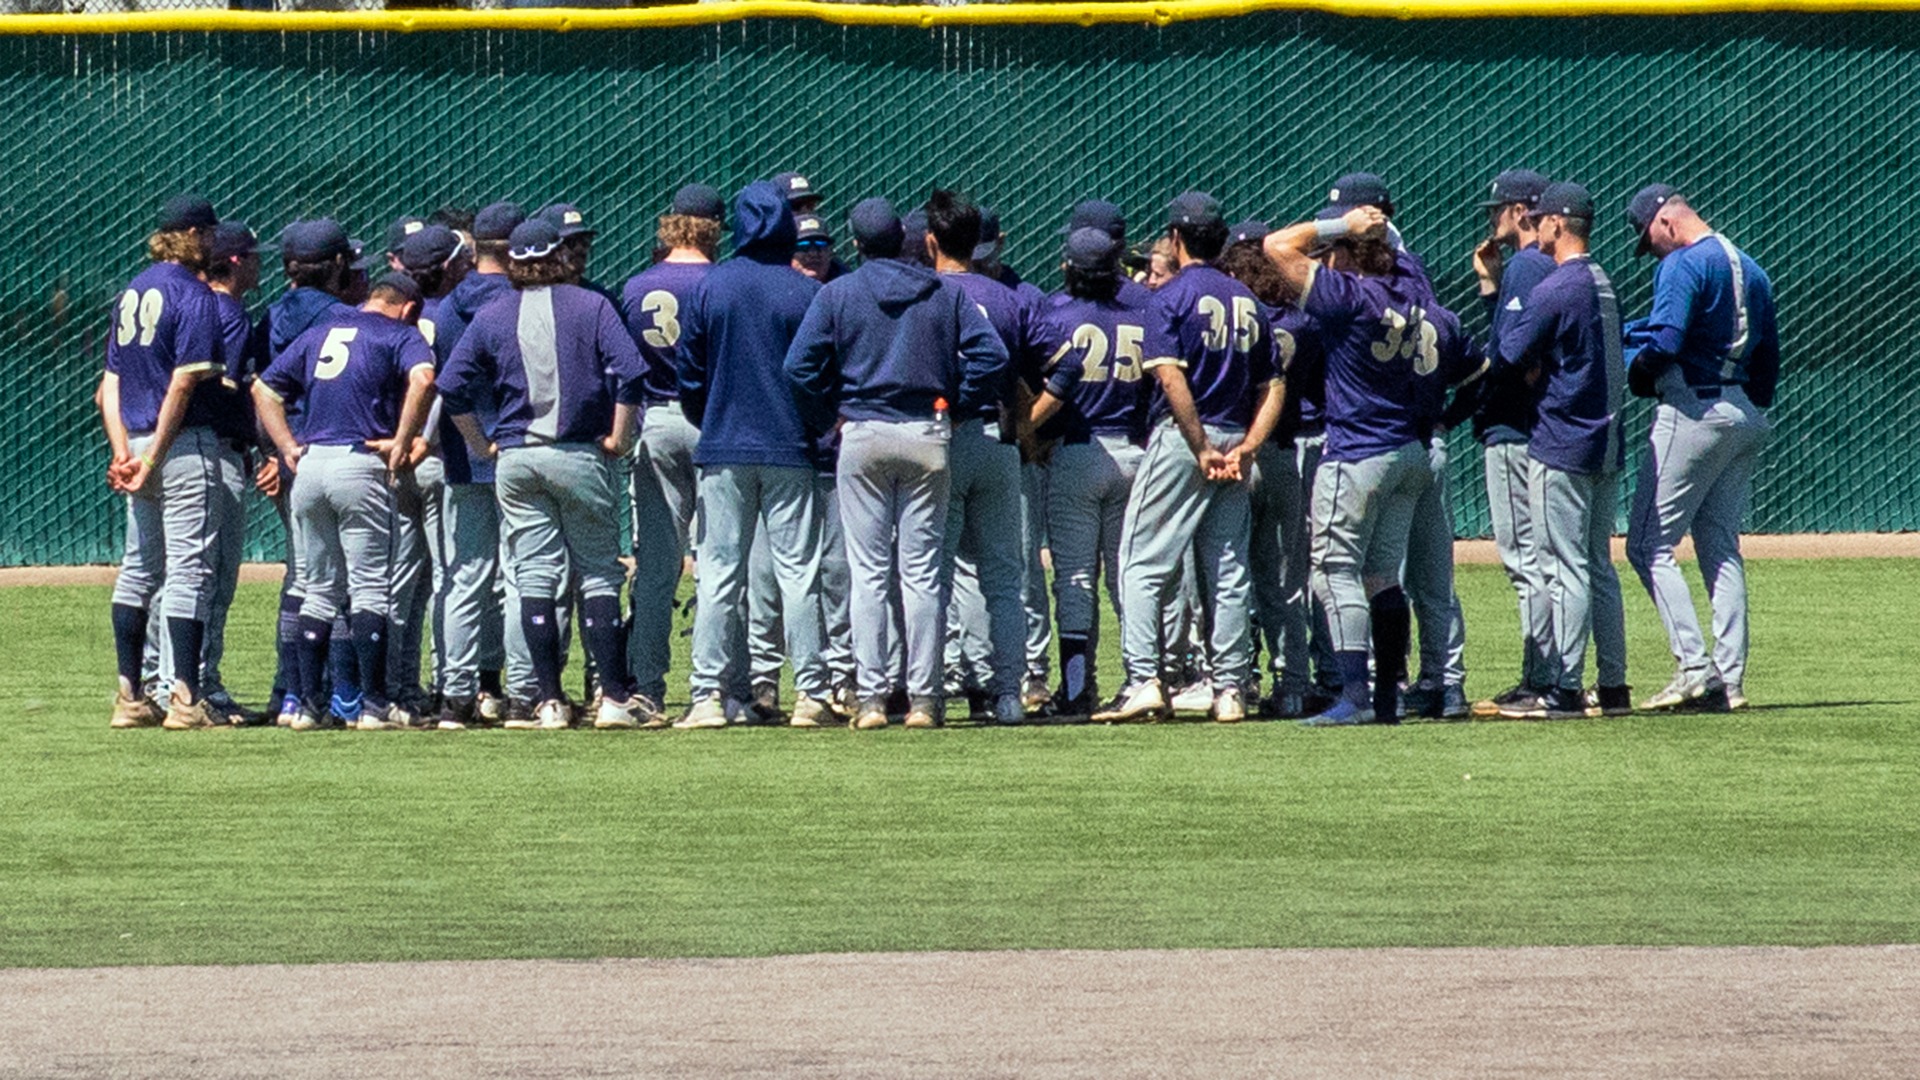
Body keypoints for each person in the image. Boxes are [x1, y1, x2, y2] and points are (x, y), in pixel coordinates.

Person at [785, 197, 1008, 729]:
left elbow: (799, 366)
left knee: (868, 574)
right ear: (911, 241)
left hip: (862, 431)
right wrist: (958, 405)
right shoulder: (942, 292)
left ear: (857, 244)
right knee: (923, 574)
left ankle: (872, 699)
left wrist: (827, 414)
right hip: (927, 432)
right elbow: (992, 357)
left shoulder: (838, 292)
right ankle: (927, 701)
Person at [437, 218, 651, 731]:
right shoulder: (592, 304)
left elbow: (452, 388)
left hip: (515, 457)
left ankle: (547, 700)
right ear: (560, 255)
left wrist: (480, 444)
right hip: (577, 453)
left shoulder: (491, 313)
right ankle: (616, 698)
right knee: (598, 571)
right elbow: (632, 373)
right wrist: (619, 439)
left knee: (533, 574)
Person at [1095, 192, 1283, 724]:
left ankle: (1143, 680)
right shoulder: (1247, 299)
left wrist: (1200, 444)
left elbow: (1170, 375)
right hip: (1234, 438)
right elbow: (1274, 384)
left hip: (1187, 439)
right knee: (1227, 568)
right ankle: (1230, 688)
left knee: (1140, 562)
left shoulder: (1170, 295)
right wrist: (1247, 445)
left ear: (1176, 240)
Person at [1263, 202, 1441, 726]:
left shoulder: (1349, 297)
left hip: (1358, 452)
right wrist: (1375, 231)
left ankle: (1355, 696)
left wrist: (1340, 226)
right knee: (1383, 575)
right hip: (1409, 450)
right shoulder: (1411, 285)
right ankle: (1388, 697)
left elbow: (1277, 246)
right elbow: (1400, 254)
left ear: (1344, 253)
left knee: (1334, 571)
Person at [672, 180, 833, 729]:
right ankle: (812, 694)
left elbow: (688, 373)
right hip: (790, 446)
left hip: (724, 444)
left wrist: (708, 419)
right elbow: (820, 376)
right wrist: (812, 426)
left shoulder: (712, 286)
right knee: (798, 573)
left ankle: (707, 697)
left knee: (718, 573)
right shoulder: (805, 290)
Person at [253, 275, 438, 730]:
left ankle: (308, 705)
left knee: (319, 589)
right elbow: (425, 377)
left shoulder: (320, 332)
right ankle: (373, 705)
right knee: (370, 586)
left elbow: (263, 390)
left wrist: (287, 446)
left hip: (311, 465)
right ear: (409, 308)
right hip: (359, 463)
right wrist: (403, 439)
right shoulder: (401, 333)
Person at [1623, 184, 1779, 713]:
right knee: (1719, 544)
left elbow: (1664, 343)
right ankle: (1730, 680)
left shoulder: (1684, 264)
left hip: (1693, 409)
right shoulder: (1752, 267)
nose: (1655, 251)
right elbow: (1770, 362)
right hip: (1744, 413)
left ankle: (1694, 668)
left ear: (1666, 223)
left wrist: (1638, 371)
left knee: (1646, 545)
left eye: (1651, 240)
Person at [1491, 182, 1630, 719]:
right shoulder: (1602, 280)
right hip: (1606, 442)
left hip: (1562, 440)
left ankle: (1566, 688)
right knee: (1597, 565)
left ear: (1555, 224)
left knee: (1566, 566)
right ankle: (1613, 686)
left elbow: (1508, 352)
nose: (1539, 226)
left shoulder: (1560, 284)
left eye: (1544, 219)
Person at [100, 194, 228, 730]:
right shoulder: (194, 295)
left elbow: (108, 385)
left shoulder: (131, 292)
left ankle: (130, 697)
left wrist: (124, 451)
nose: (216, 243)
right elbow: (182, 381)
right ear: (195, 235)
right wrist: (151, 458)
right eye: (212, 234)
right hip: (179, 449)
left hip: (135, 441)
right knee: (189, 572)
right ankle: (184, 699)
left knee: (138, 570)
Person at [1028, 228, 1157, 716]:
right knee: (1130, 577)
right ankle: (1141, 678)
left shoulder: (1055, 312)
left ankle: (1079, 689)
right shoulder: (1143, 314)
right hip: (1135, 452)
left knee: (1076, 578)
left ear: (1069, 268)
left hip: (1077, 451)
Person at [249, 217, 364, 726]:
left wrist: (271, 451)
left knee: (302, 574)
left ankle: (291, 691)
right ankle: (341, 693)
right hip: (325, 451)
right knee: (335, 581)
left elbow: (257, 389)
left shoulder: (268, 316)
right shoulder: (342, 317)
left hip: (284, 453)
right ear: (337, 264)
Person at [620, 183, 723, 724]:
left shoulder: (637, 286)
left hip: (655, 420)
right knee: (718, 563)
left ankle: (647, 687)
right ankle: (713, 687)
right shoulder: (721, 282)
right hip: (714, 421)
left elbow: (622, 367)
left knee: (657, 566)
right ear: (715, 229)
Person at [927, 189, 1028, 726]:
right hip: (998, 440)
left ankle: (936, 689)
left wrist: (956, 406)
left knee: (933, 573)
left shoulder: (926, 292)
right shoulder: (1010, 296)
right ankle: (1008, 692)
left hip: (944, 435)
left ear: (930, 241)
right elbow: (1045, 373)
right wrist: (1024, 434)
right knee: (1002, 577)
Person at [1460, 168, 1558, 716]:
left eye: (1497, 210)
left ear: (1521, 212)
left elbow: (1507, 356)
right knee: (1548, 559)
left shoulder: (1527, 263)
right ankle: (1551, 675)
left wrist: (1463, 405)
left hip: (1514, 430)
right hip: (1540, 428)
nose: (1492, 220)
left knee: (1526, 559)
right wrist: (1490, 286)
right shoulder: (1538, 267)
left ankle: (1542, 679)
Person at [1215, 226, 1316, 718]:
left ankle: (1233, 679)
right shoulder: (1303, 320)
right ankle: (1293, 682)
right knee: (1284, 581)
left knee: (1229, 569)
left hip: (1233, 452)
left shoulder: (1235, 320)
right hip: (1282, 453)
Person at [426, 201, 519, 729]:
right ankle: (509, 689)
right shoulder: (520, 301)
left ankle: (455, 694)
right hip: (511, 448)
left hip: (462, 454)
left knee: (465, 576)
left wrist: (471, 441)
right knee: (515, 576)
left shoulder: (445, 307)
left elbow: (447, 387)